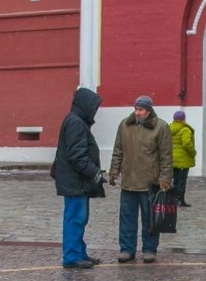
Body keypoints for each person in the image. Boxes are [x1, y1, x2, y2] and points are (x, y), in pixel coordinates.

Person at [108, 96, 173, 263]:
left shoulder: (161, 127)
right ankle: (127, 249)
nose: (137, 112)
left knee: (149, 219)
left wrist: (165, 178)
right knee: (126, 218)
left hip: (150, 182)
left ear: (149, 110)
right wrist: (114, 170)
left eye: (141, 109)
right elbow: (118, 149)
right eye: (136, 109)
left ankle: (149, 249)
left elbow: (166, 156)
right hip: (129, 181)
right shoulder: (125, 125)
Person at [52, 87, 106, 269]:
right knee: (75, 219)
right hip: (76, 182)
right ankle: (72, 256)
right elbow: (78, 156)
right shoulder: (75, 122)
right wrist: (94, 173)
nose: (95, 111)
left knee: (79, 219)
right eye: (94, 107)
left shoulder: (76, 120)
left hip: (76, 182)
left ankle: (79, 252)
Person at [170, 110, 196, 207]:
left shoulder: (169, 128)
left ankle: (173, 199)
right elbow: (187, 144)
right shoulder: (185, 129)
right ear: (183, 119)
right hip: (183, 160)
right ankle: (180, 199)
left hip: (172, 159)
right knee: (182, 181)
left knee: (175, 180)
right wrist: (193, 152)